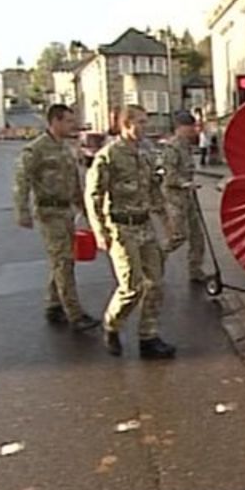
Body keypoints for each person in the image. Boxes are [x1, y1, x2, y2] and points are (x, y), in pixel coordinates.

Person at [85, 105, 177, 359]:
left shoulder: (144, 154)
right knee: (131, 286)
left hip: (144, 225)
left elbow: (154, 190)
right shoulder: (109, 155)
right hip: (121, 227)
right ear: (126, 125)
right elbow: (94, 195)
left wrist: (166, 220)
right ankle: (111, 325)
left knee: (155, 283)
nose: (146, 127)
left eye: (146, 121)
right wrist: (99, 231)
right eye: (141, 122)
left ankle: (148, 336)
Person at [13, 104, 101, 333]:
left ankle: (54, 304)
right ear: (55, 121)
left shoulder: (65, 148)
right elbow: (22, 180)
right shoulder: (36, 149)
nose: (73, 125)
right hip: (49, 212)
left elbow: (74, 180)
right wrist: (22, 210)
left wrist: (85, 208)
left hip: (66, 212)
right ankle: (74, 313)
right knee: (64, 262)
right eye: (69, 121)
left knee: (61, 259)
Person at [161, 110, 207, 283]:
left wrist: (190, 184)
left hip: (188, 196)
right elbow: (169, 175)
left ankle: (195, 270)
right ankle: (154, 261)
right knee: (178, 236)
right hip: (174, 198)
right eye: (190, 127)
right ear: (180, 127)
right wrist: (184, 183)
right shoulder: (172, 147)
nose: (193, 130)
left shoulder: (186, 146)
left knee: (197, 236)